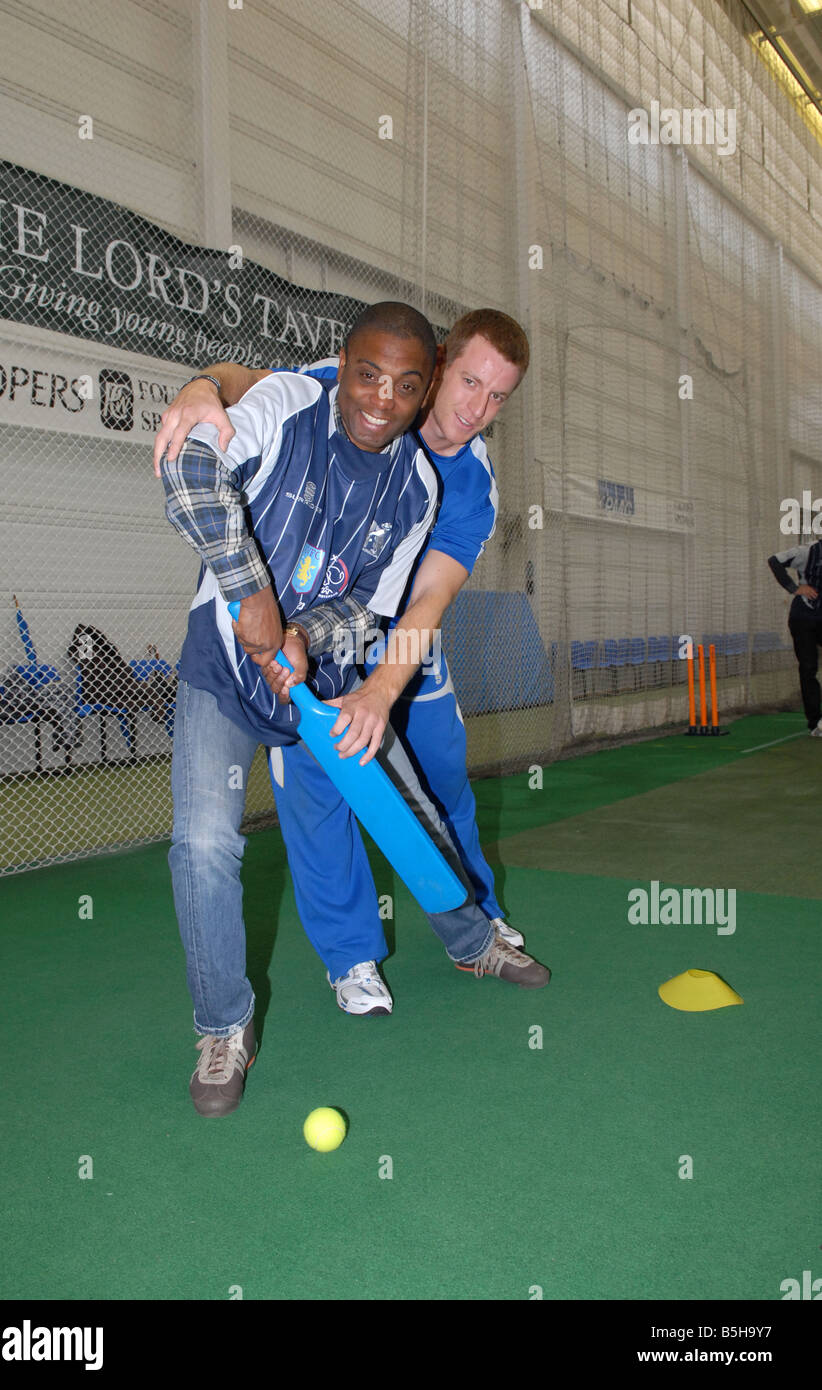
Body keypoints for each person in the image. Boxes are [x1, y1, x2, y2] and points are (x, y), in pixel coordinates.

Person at [159, 301, 546, 1118]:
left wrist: (310, 637)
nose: (474, 406)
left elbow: (388, 611)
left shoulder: (432, 488)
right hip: (226, 670)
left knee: (414, 807)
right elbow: (193, 469)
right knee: (202, 844)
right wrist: (254, 599)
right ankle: (226, 1026)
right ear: (345, 366)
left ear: (419, 386)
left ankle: (476, 941)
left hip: (329, 673)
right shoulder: (301, 397)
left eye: (495, 395)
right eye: (466, 381)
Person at [768, 538, 822, 736]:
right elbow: (774, 560)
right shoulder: (807, 552)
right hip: (804, 619)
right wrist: (795, 588)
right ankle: (816, 723)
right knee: (808, 668)